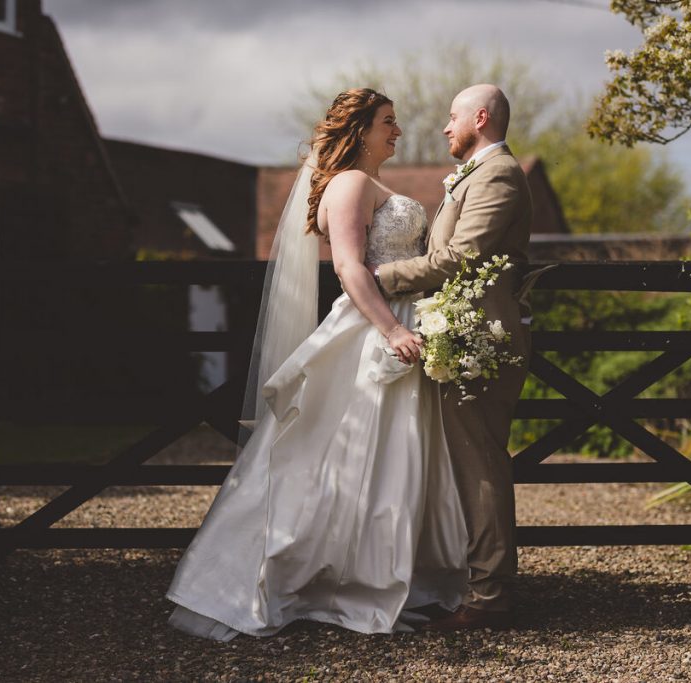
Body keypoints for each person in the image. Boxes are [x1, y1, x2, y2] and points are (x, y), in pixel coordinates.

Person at [165, 88, 469, 641]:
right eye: (388, 123)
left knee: (390, 459)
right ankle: (325, 579)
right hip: (372, 330)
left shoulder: (370, 185)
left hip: (397, 324)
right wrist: (394, 328)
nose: (397, 131)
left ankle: (384, 573)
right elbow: (351, 269)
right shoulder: (351, 184)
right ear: (359, 130)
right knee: (340, 456)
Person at [371, 84, 534, 631]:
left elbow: (462, 258)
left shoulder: (498, 174)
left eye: (453, 116)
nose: (444, 126)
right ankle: (467, 582)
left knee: (481, 464)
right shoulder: (476, 173)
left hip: (480, 340)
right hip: (459, 336)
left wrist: (377, 279)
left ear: (480, 118)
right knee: (465, 463)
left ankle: (490, 599)